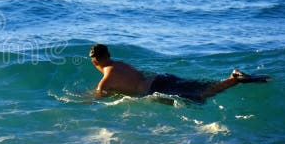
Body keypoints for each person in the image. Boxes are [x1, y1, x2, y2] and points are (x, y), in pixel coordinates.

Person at [89, 43, 269, 103]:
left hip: (157, 90)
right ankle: (240, 77)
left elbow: (97, 99)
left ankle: (234, 79)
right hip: (163, 78)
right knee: (200, 86)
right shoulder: (121, 64)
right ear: (109, 55)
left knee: (202, 94)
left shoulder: (105, 80)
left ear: (95, 62)